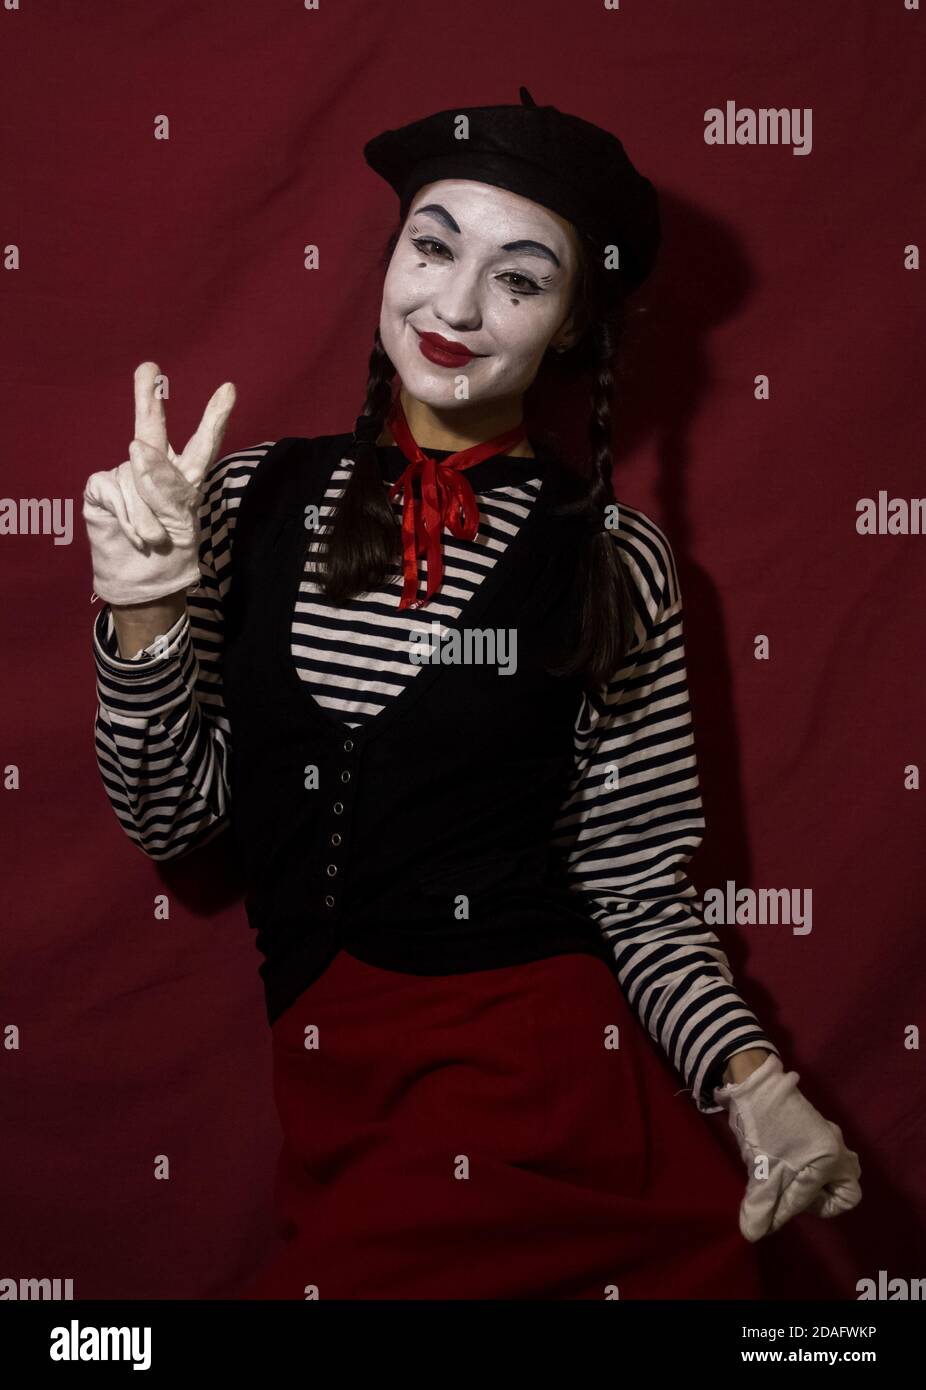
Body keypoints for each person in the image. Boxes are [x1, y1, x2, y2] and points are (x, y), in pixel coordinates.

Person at [82, 87, 861, 1300]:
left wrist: (759, 1089)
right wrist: (141, 612)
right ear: (391, 257)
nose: (452, 305)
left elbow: (630, 883)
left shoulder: (614, 560)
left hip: (534, 1086)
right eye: (433, 246)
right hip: (335, 1092)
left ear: (568, 326)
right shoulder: (233, 503)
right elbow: (176, 824)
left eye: (518, 276)